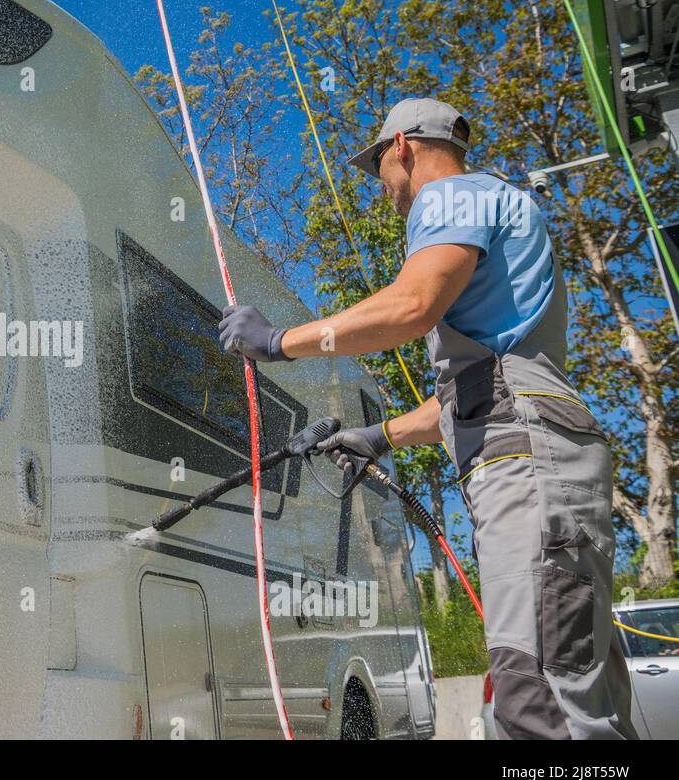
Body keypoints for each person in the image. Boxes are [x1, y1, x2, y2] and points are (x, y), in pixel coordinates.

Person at [219, 98, 637, 740]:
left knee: (537, 697)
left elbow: (413, 305)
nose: (383, 188)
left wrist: (279, 342)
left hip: (527, 457)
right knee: (581, 691)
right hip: (542, 448)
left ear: (403, 149)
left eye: (379, 167)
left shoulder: (449, 199)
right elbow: (481, 388)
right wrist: (376, 435)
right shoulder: (500, 205)